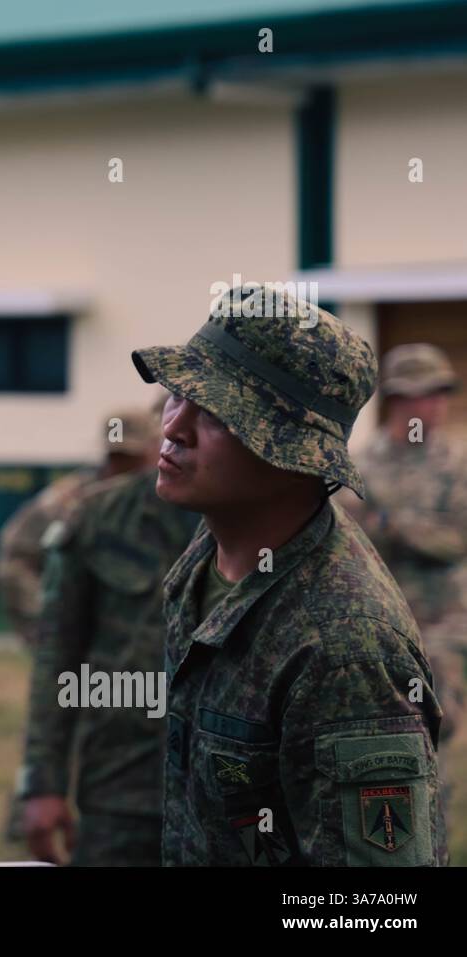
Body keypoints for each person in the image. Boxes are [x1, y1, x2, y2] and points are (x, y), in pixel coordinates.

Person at [131, 284, 446, 865]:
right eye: (178, 395)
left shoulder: (344, 645)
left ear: (294, 452)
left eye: (216, 412)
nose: (173, 427)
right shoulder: (210, 554)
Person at [17, 448, 199, 865]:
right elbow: (57, 656)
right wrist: (43, 783)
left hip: (233, 789)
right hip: (121, 782)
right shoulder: (99, 515)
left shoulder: (262, 518)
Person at [341, 344, 467, 749]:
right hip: (374, 623)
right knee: (375, 729)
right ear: (397, 398)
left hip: (438, 625)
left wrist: (391, 523)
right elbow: (344, 542)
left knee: (436, 729)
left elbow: (455, 541)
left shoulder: (456, 464)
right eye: (423, 394)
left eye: (439, 393)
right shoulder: (360, 467)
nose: (434, 405)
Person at [0, 407, 160, 649]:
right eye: (116, 456)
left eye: (132, 457)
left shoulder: (172, 501)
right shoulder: (71, 500)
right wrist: (46, 622)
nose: (122, 466)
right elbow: (16, 559)